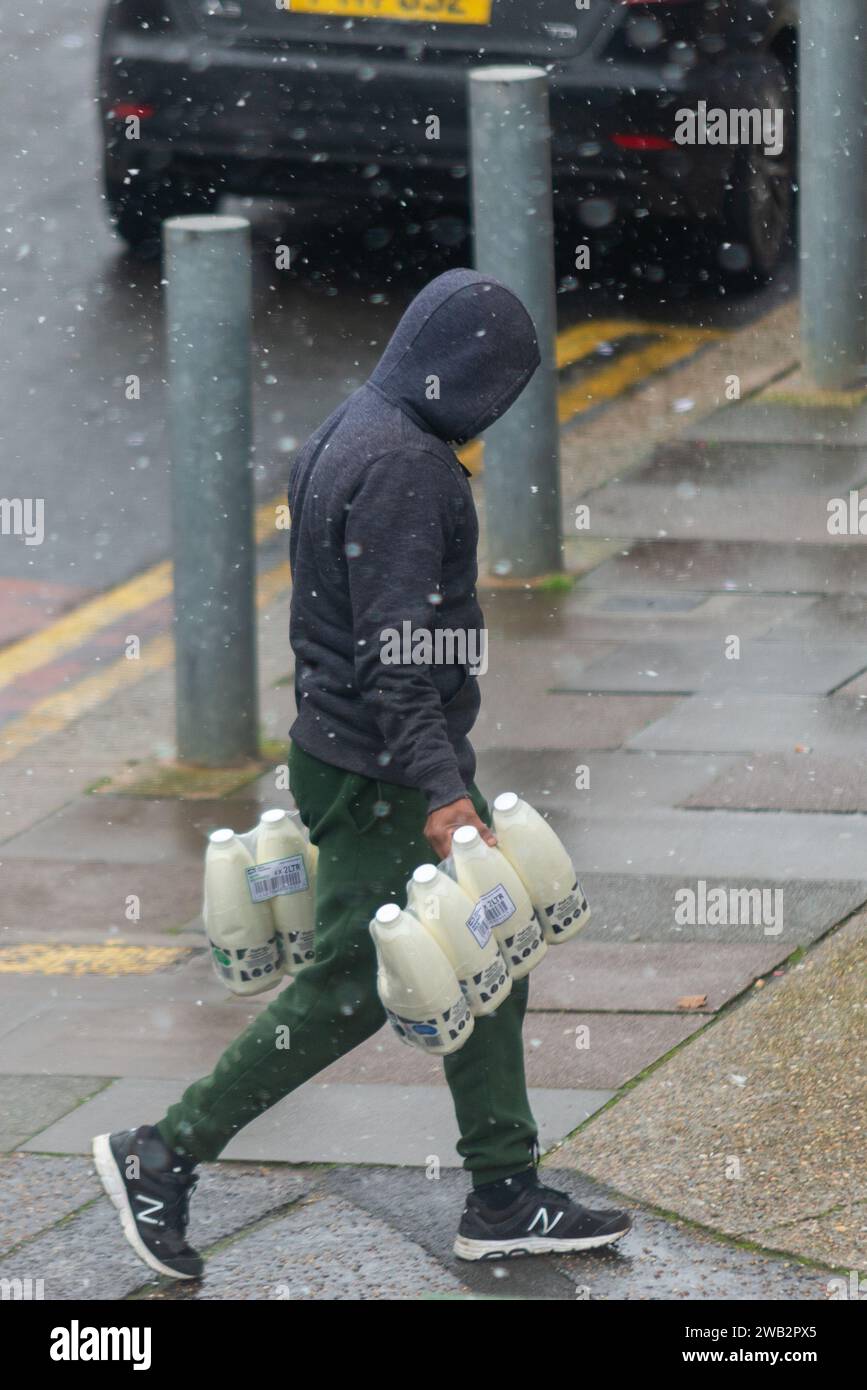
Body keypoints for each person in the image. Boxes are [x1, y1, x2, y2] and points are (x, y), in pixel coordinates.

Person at [92, 268, 631, 1281]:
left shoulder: (361, 422)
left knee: (488, 950)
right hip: (384, 772)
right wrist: (440, 790)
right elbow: (398, 653)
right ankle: (161, 1152)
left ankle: (505, 1190)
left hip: (356, 751)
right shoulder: (407, 472)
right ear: (475, 381)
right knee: (348, 988)